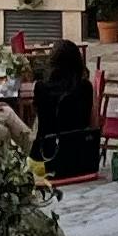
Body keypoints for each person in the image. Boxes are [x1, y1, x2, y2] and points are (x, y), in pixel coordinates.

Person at [30, 36, 101, 183]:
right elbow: (94, 124)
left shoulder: (40, 88)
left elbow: (37, 121)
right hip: (81, 160)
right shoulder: (86, 87)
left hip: (46, 161)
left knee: (8, 114)